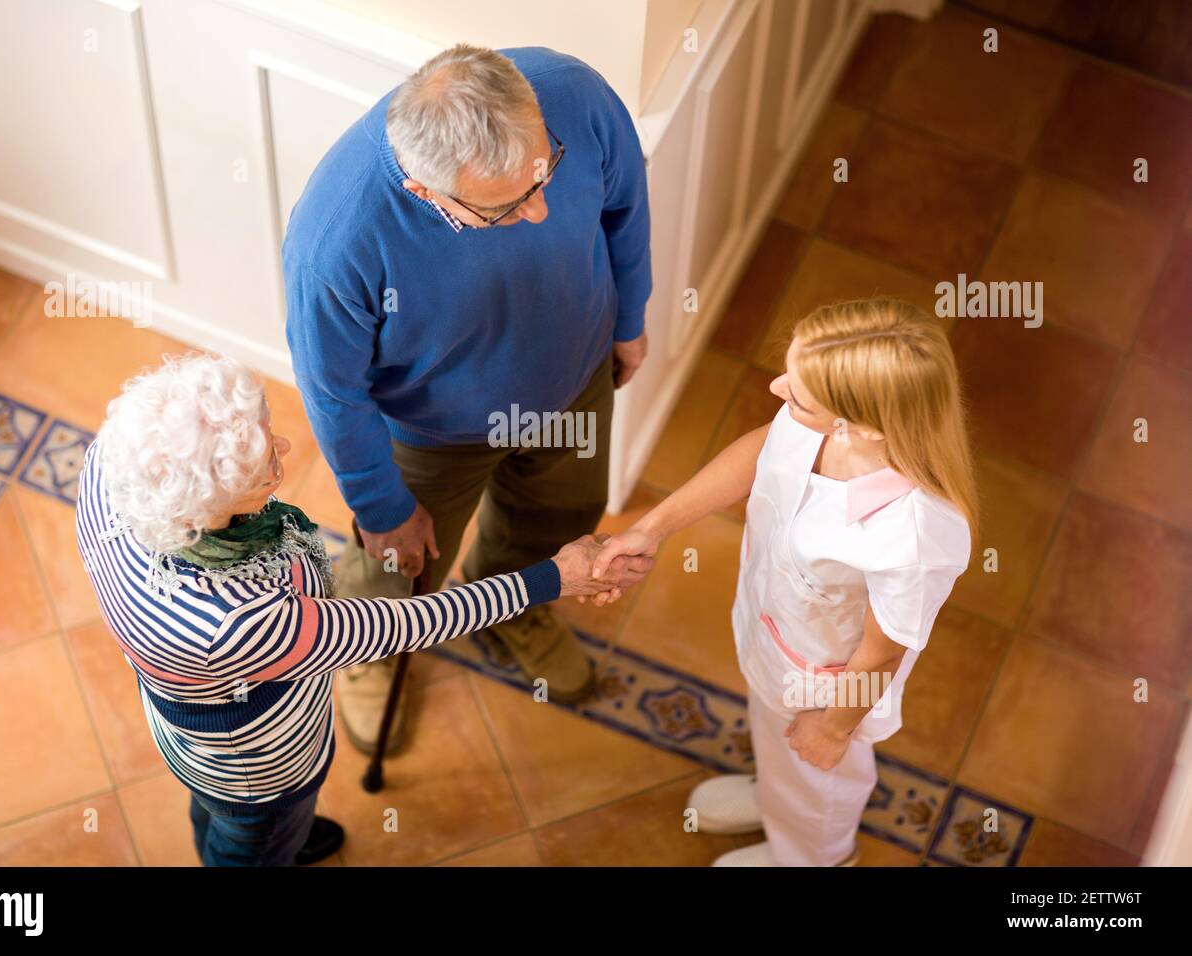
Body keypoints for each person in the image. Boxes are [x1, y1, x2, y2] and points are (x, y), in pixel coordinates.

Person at [73, 351, 650, 867]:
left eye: (268, 432)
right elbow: (405, 622)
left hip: (190, 735)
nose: (285, 450)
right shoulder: (238, 623)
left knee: (217, 810)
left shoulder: (109, 469)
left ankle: (248, 834)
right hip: (261, 771)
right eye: (267, 467)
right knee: (253, 842)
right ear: (203, 511)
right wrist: (553, 577)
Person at [282, 43, 652, 753]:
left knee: (560, 512)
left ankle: (513, 606)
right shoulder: (334, 241)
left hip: (575, 376)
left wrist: (629, 318)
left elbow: (626, 209)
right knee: (396, 570)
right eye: (511, 203)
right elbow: (335, 394)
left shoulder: (574, 93)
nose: (542, 209)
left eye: (546, 173)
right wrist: (382, 508)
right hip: (431, 433)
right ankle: (371, 653)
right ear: (427, 193)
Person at [592, 299, 977, 866]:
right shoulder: (823, 424)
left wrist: (834, 727)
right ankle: (776, 793)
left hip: (828, 685)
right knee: (780, 745)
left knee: (818, 777)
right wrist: (652, 528)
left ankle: (812, 854)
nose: (777, 389)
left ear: (864, 423)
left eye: (797, 393)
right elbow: (762, 453)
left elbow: (879, 656)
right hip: (776, 633)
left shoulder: (912, 535)